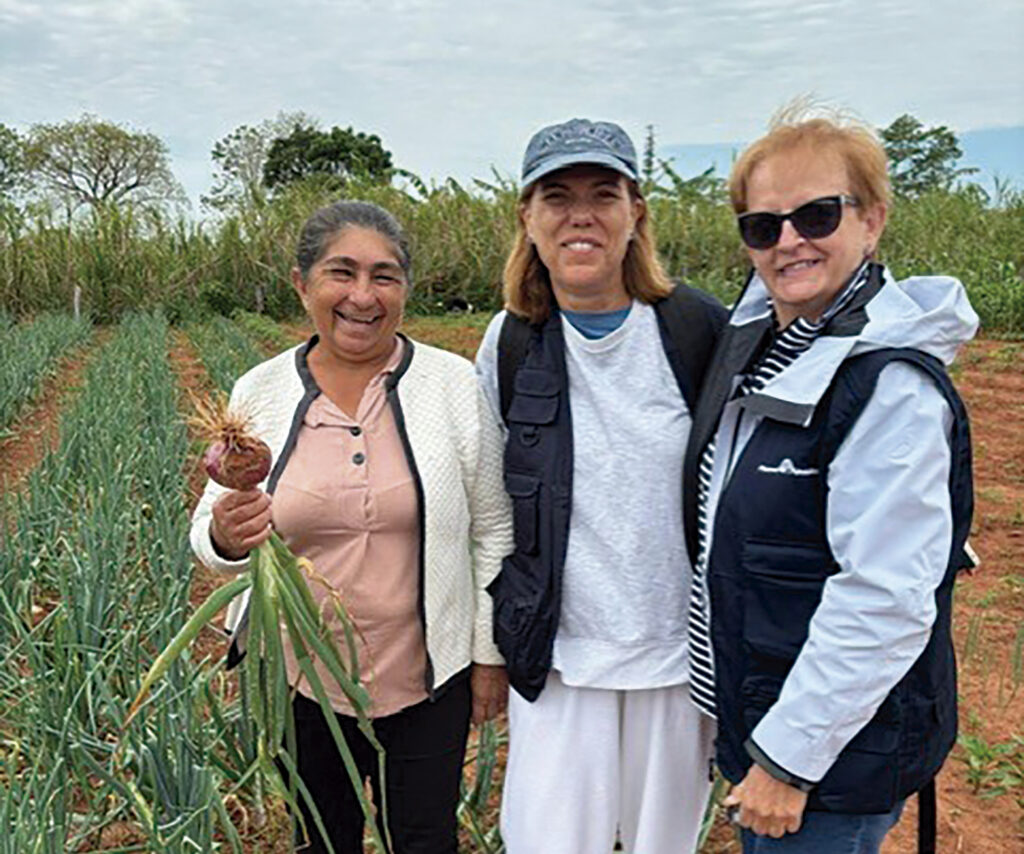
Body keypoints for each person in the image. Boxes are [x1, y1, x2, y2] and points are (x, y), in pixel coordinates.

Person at [682, 103, 977, 854]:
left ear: (872, 219)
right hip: (767, 709)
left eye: (817, 214)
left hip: (826, 757)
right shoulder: (764, 343)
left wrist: (787, 761)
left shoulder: (887, 385)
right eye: (763, 225)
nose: (789, 241)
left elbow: (884, 597)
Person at [189, 200, 512, 854]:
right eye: (342, 273)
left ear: (405, 290)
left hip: (429, 678)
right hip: (299, 680)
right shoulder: (260, 390)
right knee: (323, 840)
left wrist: (487, 655)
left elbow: (494, 530)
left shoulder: (452, 387)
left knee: (424, 840)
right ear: (302, 284)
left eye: (384, 276)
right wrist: (227, 532)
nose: (363, 296)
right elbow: (209, 535)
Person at [475, 118, 727, 853]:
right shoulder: (512, 339)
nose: (580, 213)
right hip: (559, 655)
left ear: (635, 212)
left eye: (603, 193)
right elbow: (488, 495)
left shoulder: (695, 329)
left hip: (677, 657)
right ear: (528, 216)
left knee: (662, 844)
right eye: (557, 195)